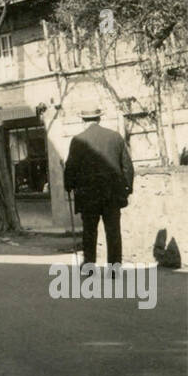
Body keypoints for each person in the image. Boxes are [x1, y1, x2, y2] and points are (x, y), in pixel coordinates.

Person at [63, 106, 134, 265]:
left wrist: (69, 185)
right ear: (99, 118)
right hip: (112, 195)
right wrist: (127, 189)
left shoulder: (78, 140)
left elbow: (71, 168)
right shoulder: (115, 137)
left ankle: (89, 267)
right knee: (113, 232)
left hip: (88, 196)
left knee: (89, 232)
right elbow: (128, 167)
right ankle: (115, 269)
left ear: (83, 120)